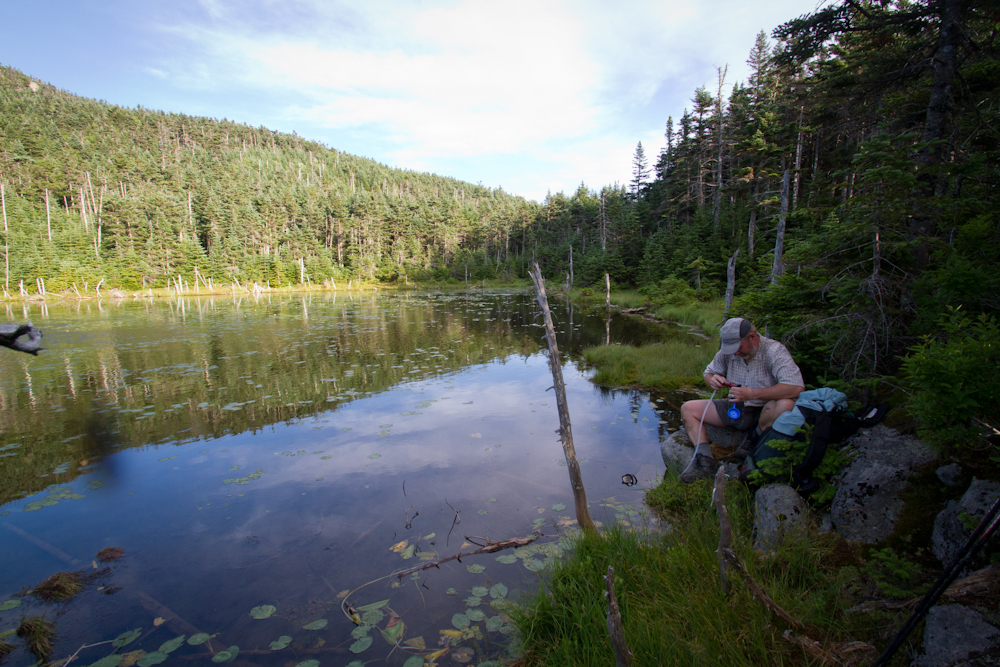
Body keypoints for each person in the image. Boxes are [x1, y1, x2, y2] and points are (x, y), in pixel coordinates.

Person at [677, 317, 804, 483]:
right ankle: (704, 462)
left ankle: (753, 439)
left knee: (786, 404)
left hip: (764, 411)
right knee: (688, 409)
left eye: (739, 348)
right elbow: (708, 374)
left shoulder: (774, 351)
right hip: (735, 407)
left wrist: (752, 394)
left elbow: (796, 387)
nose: (735, 353)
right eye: (731, 349)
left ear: (752, 337)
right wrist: (712, 380)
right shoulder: (728, 352)